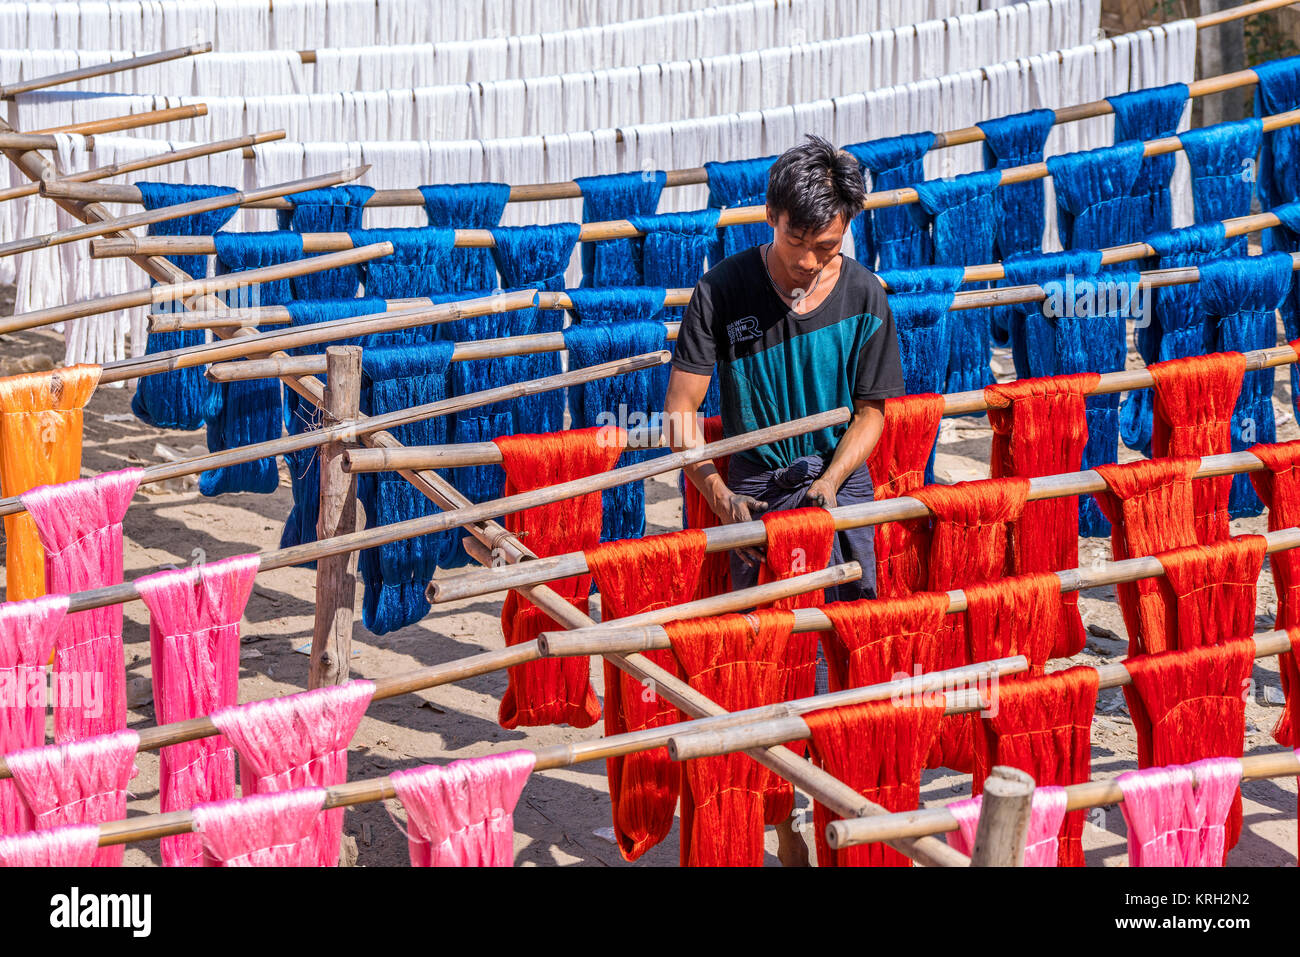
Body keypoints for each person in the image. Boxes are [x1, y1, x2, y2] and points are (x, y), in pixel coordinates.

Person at [662, 134, 906, 865]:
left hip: (837, 488)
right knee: (759, 662)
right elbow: (681, 411)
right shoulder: (722, 291)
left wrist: (831, 482)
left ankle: (840, 810)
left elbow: (872, 411)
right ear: (770, 216)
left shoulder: (865, 295)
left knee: (843, 659)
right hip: (753, 496)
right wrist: (713, 488)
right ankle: (777, 819)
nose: (813, 260)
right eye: (802, 243)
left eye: (829, 245)